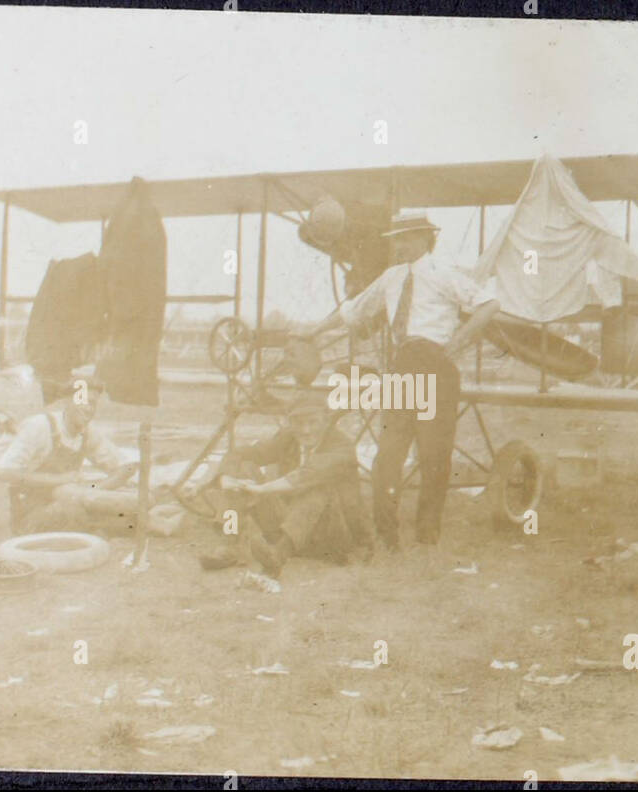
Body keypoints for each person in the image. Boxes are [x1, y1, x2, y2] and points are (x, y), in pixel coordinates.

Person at [306, 211, 500, 550]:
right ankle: (386, 534)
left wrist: (458, 341)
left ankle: (427, 533)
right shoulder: (391, 277)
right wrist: (313, 332)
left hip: (435, 365)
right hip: (402, 365)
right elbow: (353, 310)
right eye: (396, 239)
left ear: (426, 238)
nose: (400, 245)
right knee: (388, 454)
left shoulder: (444, 273)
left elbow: (488, 304)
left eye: (407, 238)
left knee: (433, 453)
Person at [192, 389, 369, 577]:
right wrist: (226, 477)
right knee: (242, 470)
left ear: (326, 421)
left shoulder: (342, 446)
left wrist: (261, 489)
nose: (306, 430)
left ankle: (277, 556)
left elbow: (305, 476)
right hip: (288, 529)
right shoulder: (288, 438)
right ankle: (230, 544)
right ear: (290, 423)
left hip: (330, 537)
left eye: (313, 422)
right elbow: (240, 453)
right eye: (299, 423)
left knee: (317, 488)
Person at [0, 377, 138, 534]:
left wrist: (94, 490)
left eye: (92, 403)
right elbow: (4, 471)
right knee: (93, 512)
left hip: (70, 501)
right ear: (66, 401)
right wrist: (60, 480)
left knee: (119, 512)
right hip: (31, 514)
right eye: (82, 401)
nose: (88, 409)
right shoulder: (40, 426)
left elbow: (127, 467)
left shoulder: (86, 432)